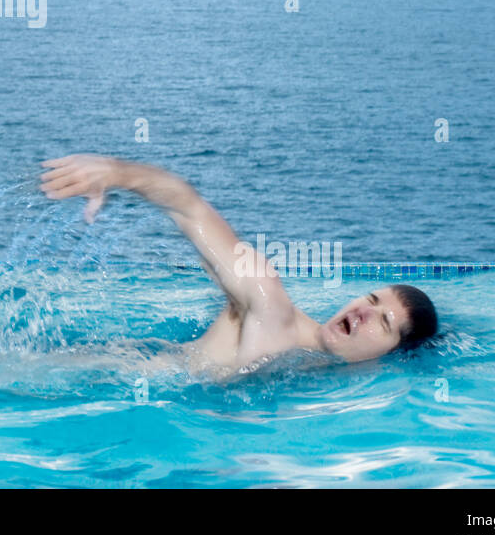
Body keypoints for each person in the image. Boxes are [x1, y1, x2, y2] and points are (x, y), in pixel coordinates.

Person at [39, 155, 438, 377]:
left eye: (383, 322)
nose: (363, 311)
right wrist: (115, 172)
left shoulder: (320, 379)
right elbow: (188, 205)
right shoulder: (270, 305)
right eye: (370, 298)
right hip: (76, 379)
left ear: (391, 355)